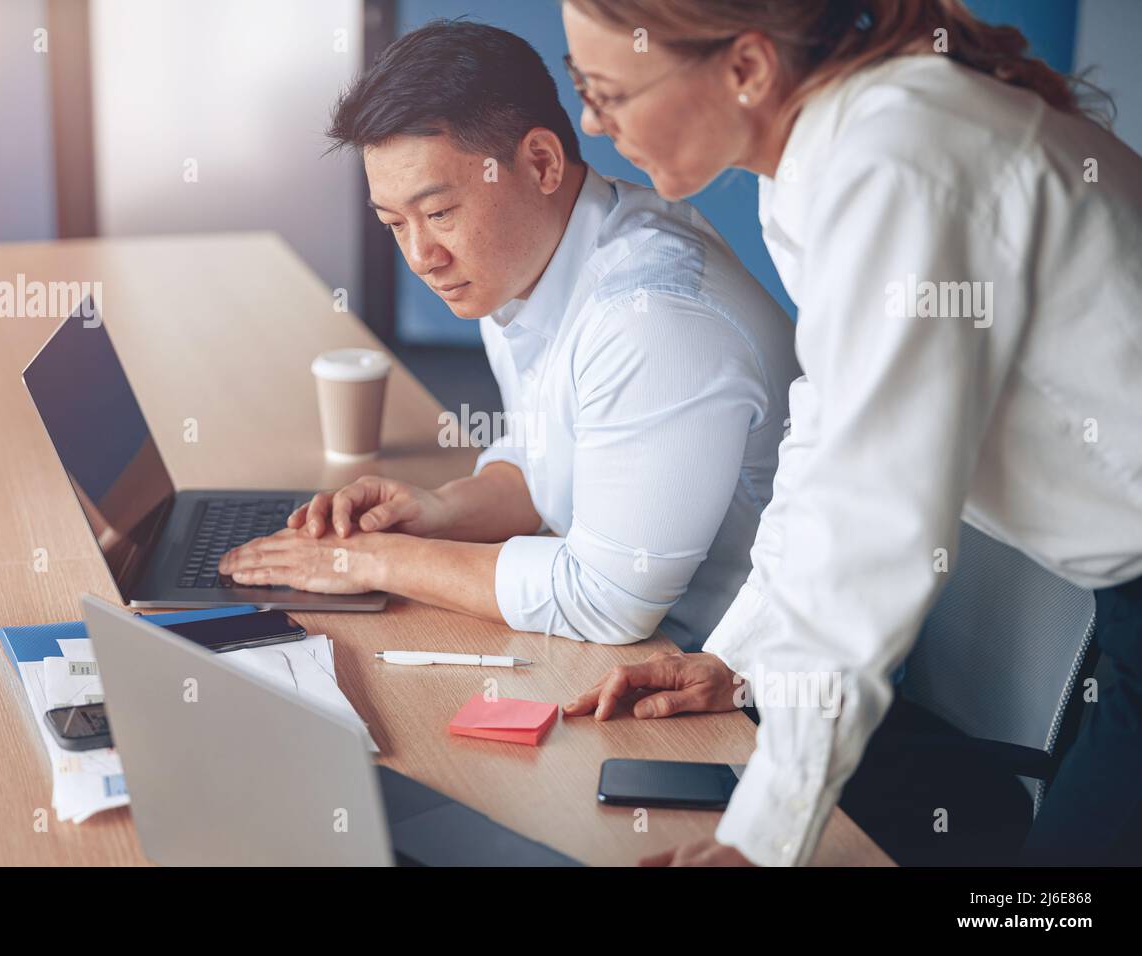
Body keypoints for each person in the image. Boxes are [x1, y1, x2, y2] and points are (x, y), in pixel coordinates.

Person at [560, 0, 1142, 865]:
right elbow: (829, 443)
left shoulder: (895, 163)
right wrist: (742, 657)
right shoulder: (813, 168)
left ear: (748, 69)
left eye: (608, 93)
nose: (589, 123)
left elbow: (873, 525)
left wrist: (764, 839)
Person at [220, 20, 799, 649]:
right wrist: (436, 511)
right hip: (638, 657)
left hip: (730, 690)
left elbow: (607, 600)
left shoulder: (650, 318)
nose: (421, 256)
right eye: (394, 223)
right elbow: (548, 461)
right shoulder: (524, 259)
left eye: (439, 213)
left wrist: (372, 562)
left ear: (542, 163)